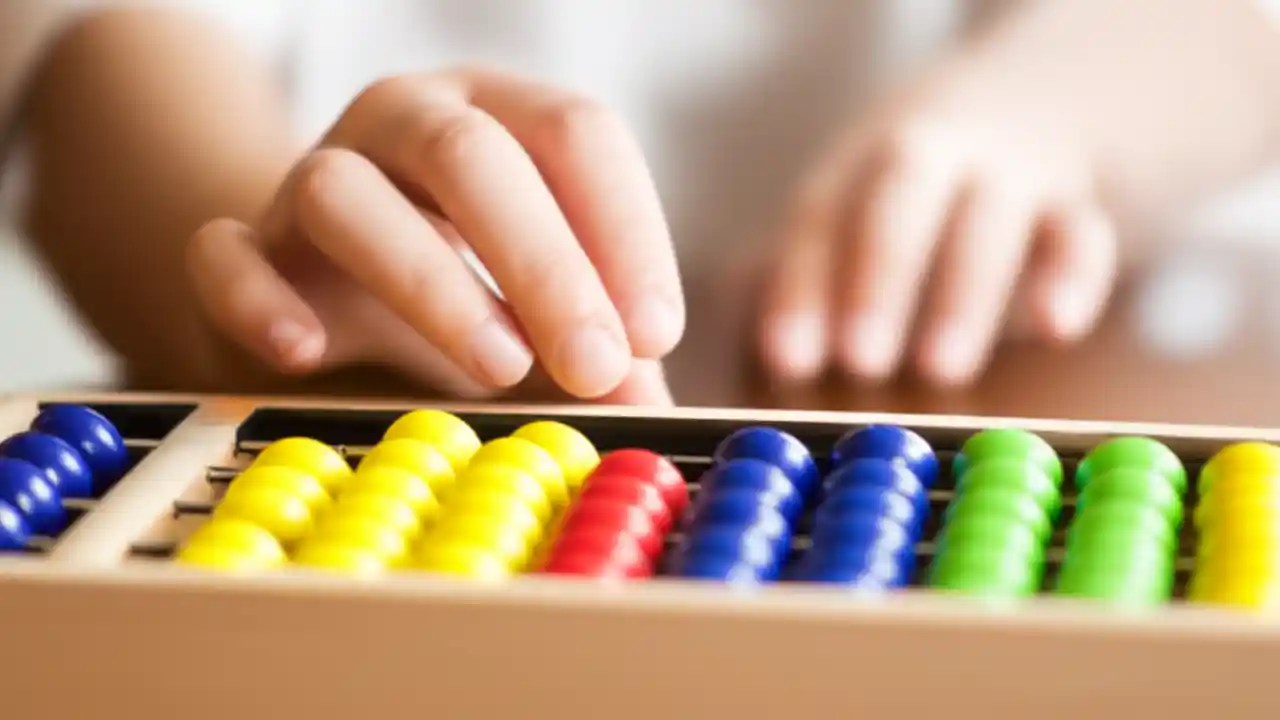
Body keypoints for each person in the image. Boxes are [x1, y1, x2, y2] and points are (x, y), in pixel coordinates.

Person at [3, 0, 1280, 405]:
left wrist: (1045, 124)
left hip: (1106, 358)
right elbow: (84, 41)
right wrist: (246, 253)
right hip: (401, 413)